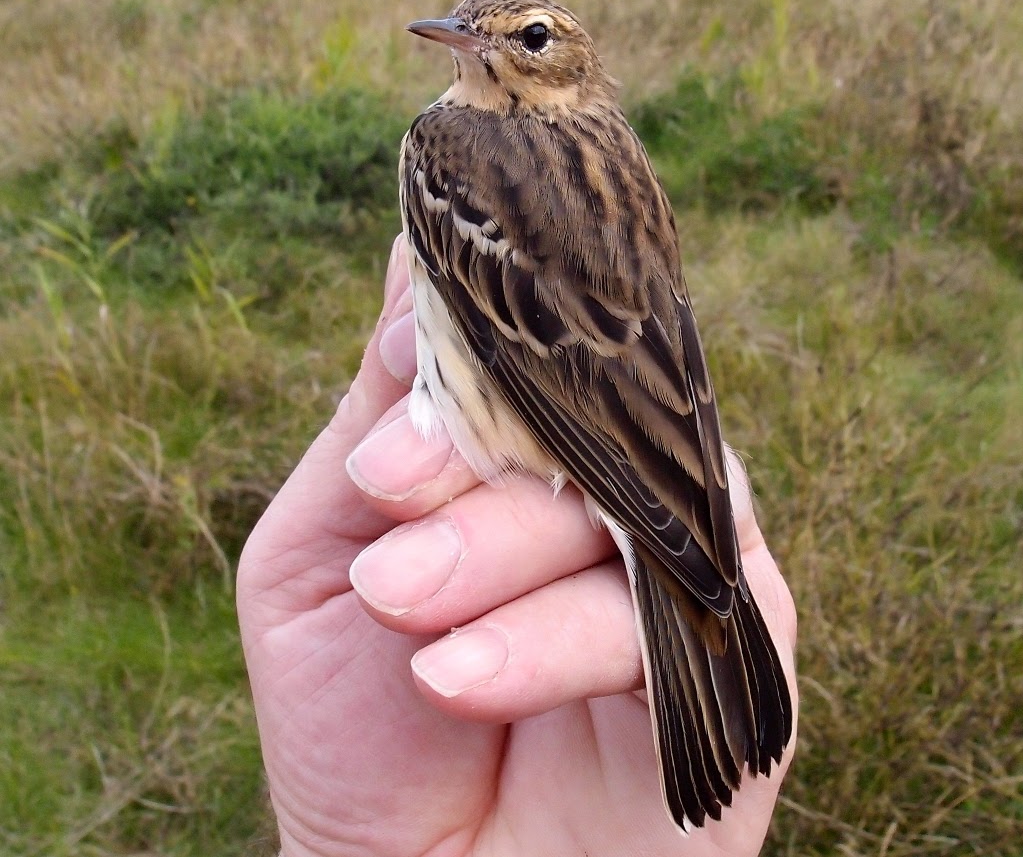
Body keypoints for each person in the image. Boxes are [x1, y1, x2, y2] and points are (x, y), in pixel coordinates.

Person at [237, 237, 798, 856]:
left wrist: (660, 514)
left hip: (572, 432)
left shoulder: (445, 149)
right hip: (637, 442)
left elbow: (527, 355)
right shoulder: (591, 153)